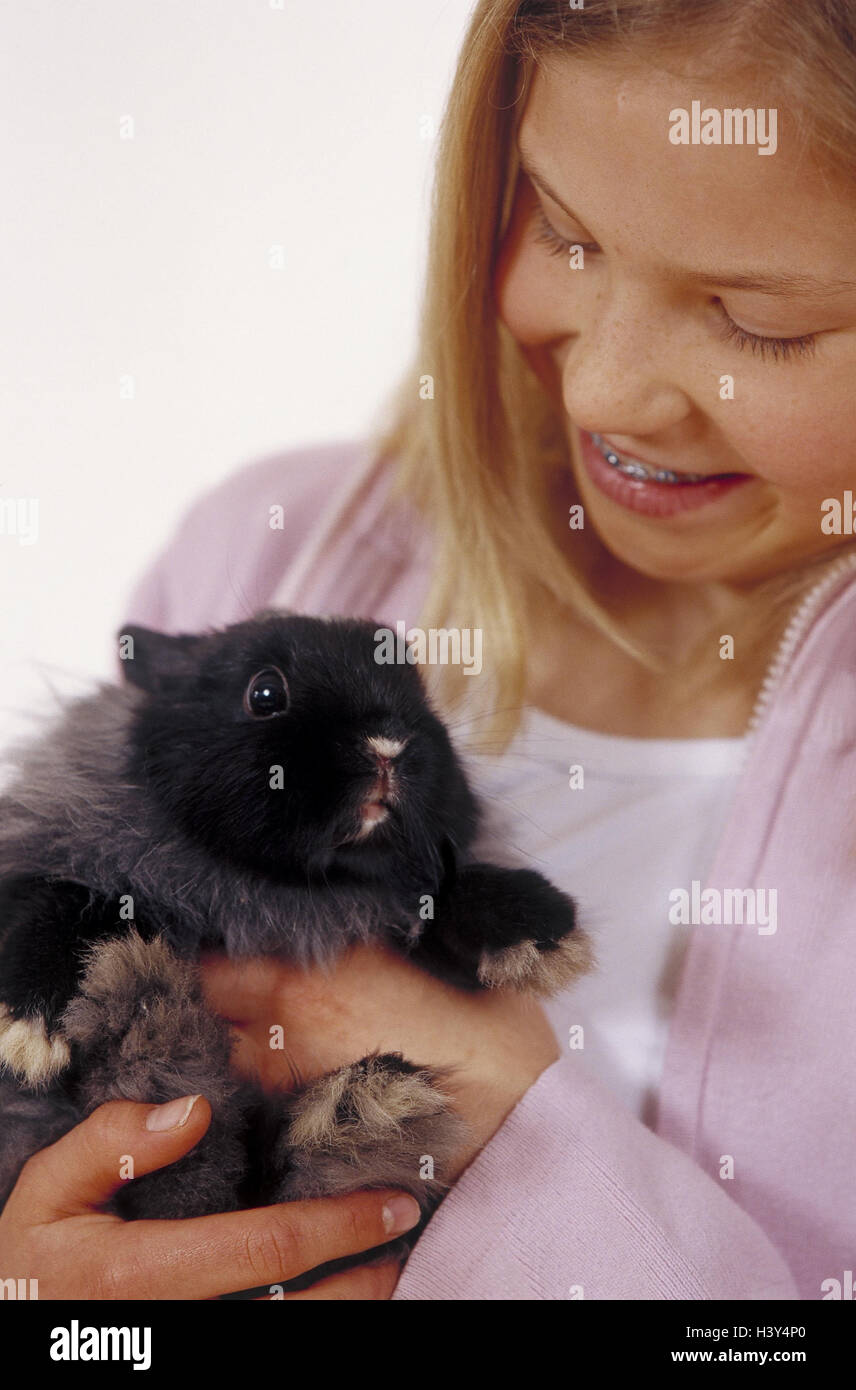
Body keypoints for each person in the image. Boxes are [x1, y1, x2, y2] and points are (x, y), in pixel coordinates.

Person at [4, 0, 855, 1299]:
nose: (606, 392)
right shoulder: (271, 554)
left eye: (762, 324)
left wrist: (520, 1125)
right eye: (564, 231)